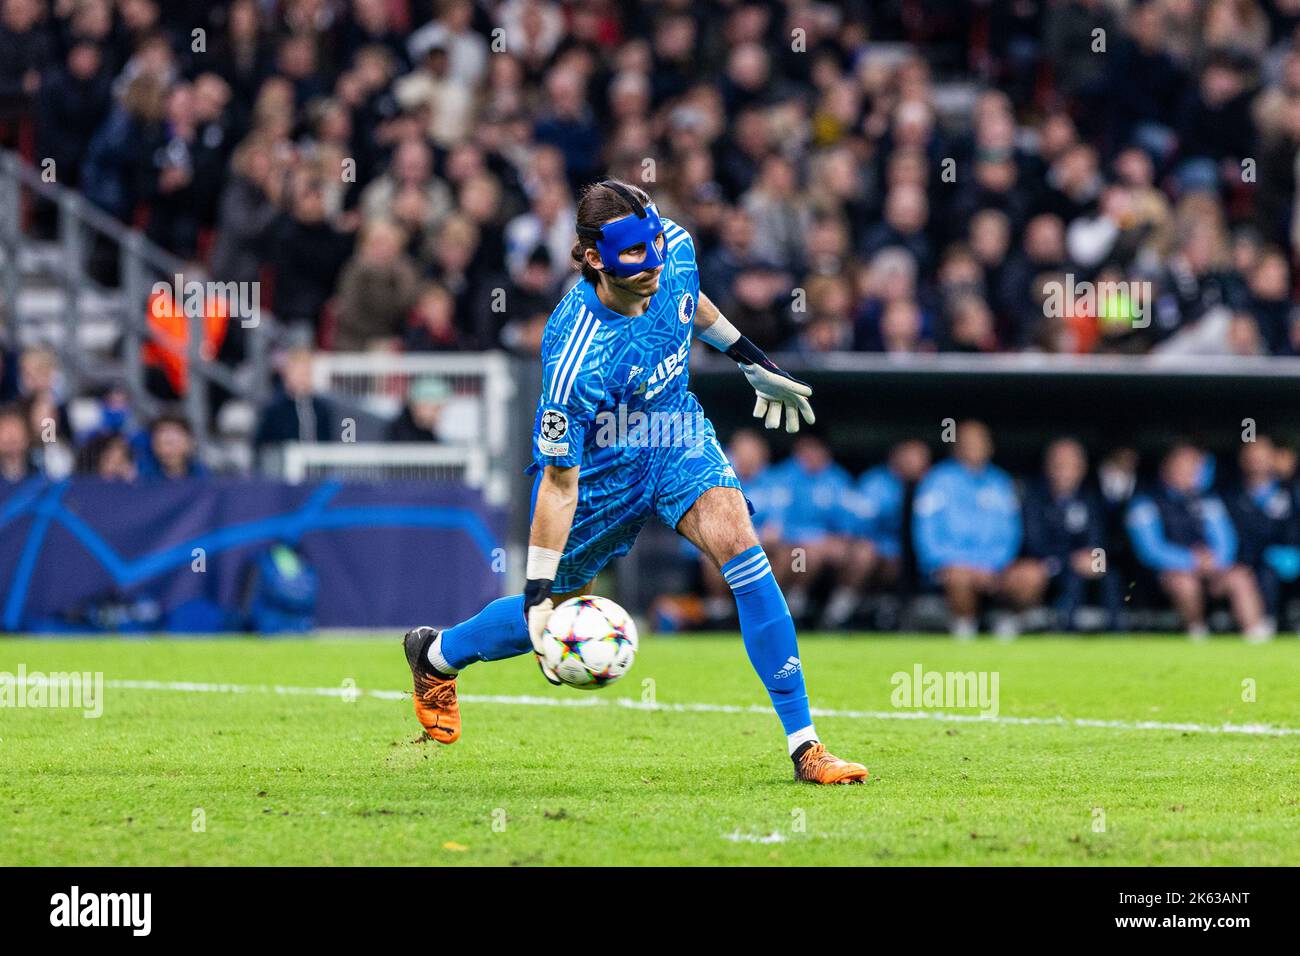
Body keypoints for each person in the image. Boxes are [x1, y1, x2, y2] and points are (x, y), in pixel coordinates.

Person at [402, 179, 868, 784]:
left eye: (654, 246)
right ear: (593, 258)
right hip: (598, 474)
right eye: (633, 256)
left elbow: (690, 302)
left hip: (676, 435)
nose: (652, 264)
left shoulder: (671, 247)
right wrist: (540, 590)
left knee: (744, 553)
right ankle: (436, 655)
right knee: (551, 613)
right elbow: (558, 482)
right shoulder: (574, 353)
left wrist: (751, 358)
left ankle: (806, 748)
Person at [1127, 443, 1269, 641]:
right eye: (1181, 467)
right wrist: (1190, 560)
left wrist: (1214, 561)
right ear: (1166, 468)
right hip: (1166, 575)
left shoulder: (1208, 502)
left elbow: (1226, 540)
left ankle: (1257, 635)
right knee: (1185, 583)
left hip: (1211, 570)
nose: (1188, 473)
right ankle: (1196, 632)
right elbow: (1149, 550)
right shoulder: (1145, 503)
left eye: (1193, 468)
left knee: (1240, 577)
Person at [913, 420, 1024, 638]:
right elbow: (926, 537)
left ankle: (1007, 625)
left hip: (994, 568)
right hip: (950, 567)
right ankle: (965, 631)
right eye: (967, 442)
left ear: (990, 446)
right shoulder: (936, 480)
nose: (973, 447)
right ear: (956, 447)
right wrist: (965, 565)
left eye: (979, 442)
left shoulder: (1001, 482)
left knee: (1029, 577)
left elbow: (1012, 534)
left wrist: (992, 566)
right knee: (959, 577)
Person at [1014, 438, 1115, 630]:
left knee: (1107, 573)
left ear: (1082, 468)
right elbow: (1033, 542)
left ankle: (1118, 633)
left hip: (1083, 563)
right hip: (1047, 563)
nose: (1064, 471)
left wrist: (1095, 559)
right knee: (1064, 577)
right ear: (1048, 467)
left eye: (1070, 465)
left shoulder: (1090, 499)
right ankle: (1063, 631)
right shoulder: (1033, 498)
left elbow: (1099, 540)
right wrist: (1069, 559)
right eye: (1058, 464)